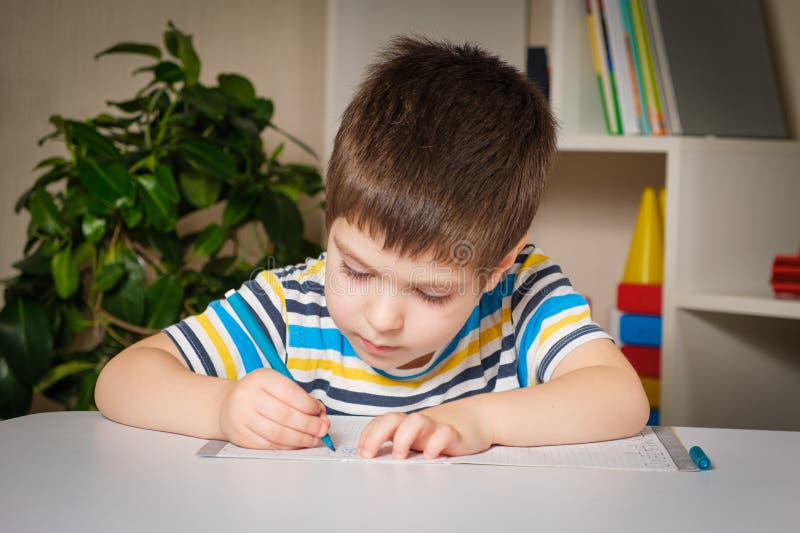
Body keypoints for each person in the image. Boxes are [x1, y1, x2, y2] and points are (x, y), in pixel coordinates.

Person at [95, 35, 649, 460]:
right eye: (356, 271)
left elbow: (621, 399)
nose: (381, 319)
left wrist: (477, 422)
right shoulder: (293, 306)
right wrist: (221, 408)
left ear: (497, 266)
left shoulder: (522, 294)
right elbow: (122, 379)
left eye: (432, 291)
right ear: (331, 220)